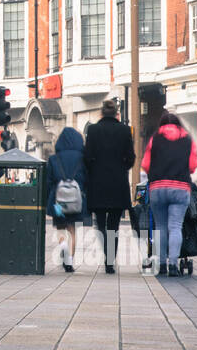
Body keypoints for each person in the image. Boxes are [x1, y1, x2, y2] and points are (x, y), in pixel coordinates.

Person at [142, 111, 197, 277]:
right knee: (175, 227)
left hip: (158, 187)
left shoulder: (155, 138)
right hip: (180, 188)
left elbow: (145, 164)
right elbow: (193, 165)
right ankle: (173, 265)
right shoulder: (188, 139)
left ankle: (162, 263)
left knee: (160, 227)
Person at [83, 98, 135, 273]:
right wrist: (121, 167)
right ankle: (110, 260)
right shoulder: (125, 130)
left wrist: (95, 169)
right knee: (114, 223)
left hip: (98, 183)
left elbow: (87, 157)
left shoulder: (94, 130)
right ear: (116, 114)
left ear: (101, 113)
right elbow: (131, 158)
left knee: (101, 223)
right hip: (118, 183)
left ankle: (107, 252)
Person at [45, 127, 88, 273]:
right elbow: (86, 179)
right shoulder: (82, 158)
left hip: (58, 201)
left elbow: (48, 181)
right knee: (72, 229)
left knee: (61, 227)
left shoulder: (53, 159)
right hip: (76, 200)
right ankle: (69, 260)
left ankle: (62, 243)